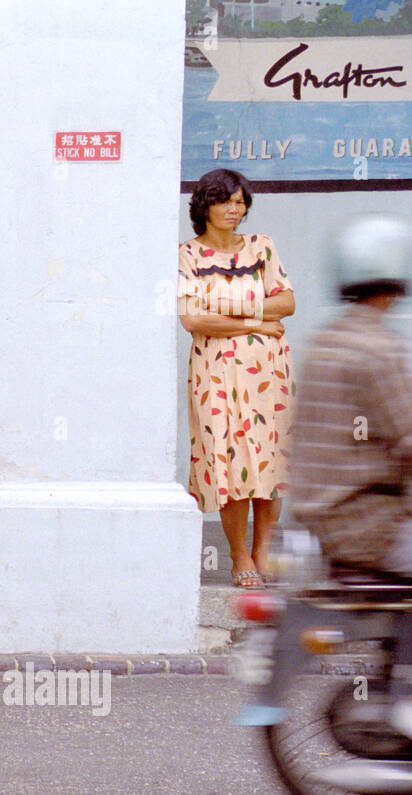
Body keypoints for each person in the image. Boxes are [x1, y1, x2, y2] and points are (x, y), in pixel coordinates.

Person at [290, 212, 412, 737]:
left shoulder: (328, 342)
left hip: (328, 519)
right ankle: (404, 699)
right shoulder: (377, 349)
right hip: (368, 524)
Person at [179, 169, 296, 588]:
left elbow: (286, 302)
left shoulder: (261, 247)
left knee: (268, 459)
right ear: (205, 206)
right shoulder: (188, 255)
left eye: (240, 202)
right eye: (225, 201)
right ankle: (239, 554)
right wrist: (258, 322)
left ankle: (263, 550)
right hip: (214, 373)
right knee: (228, 458)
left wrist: (232, 315)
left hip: (268, 371)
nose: (235, 209)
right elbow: (193, 318)